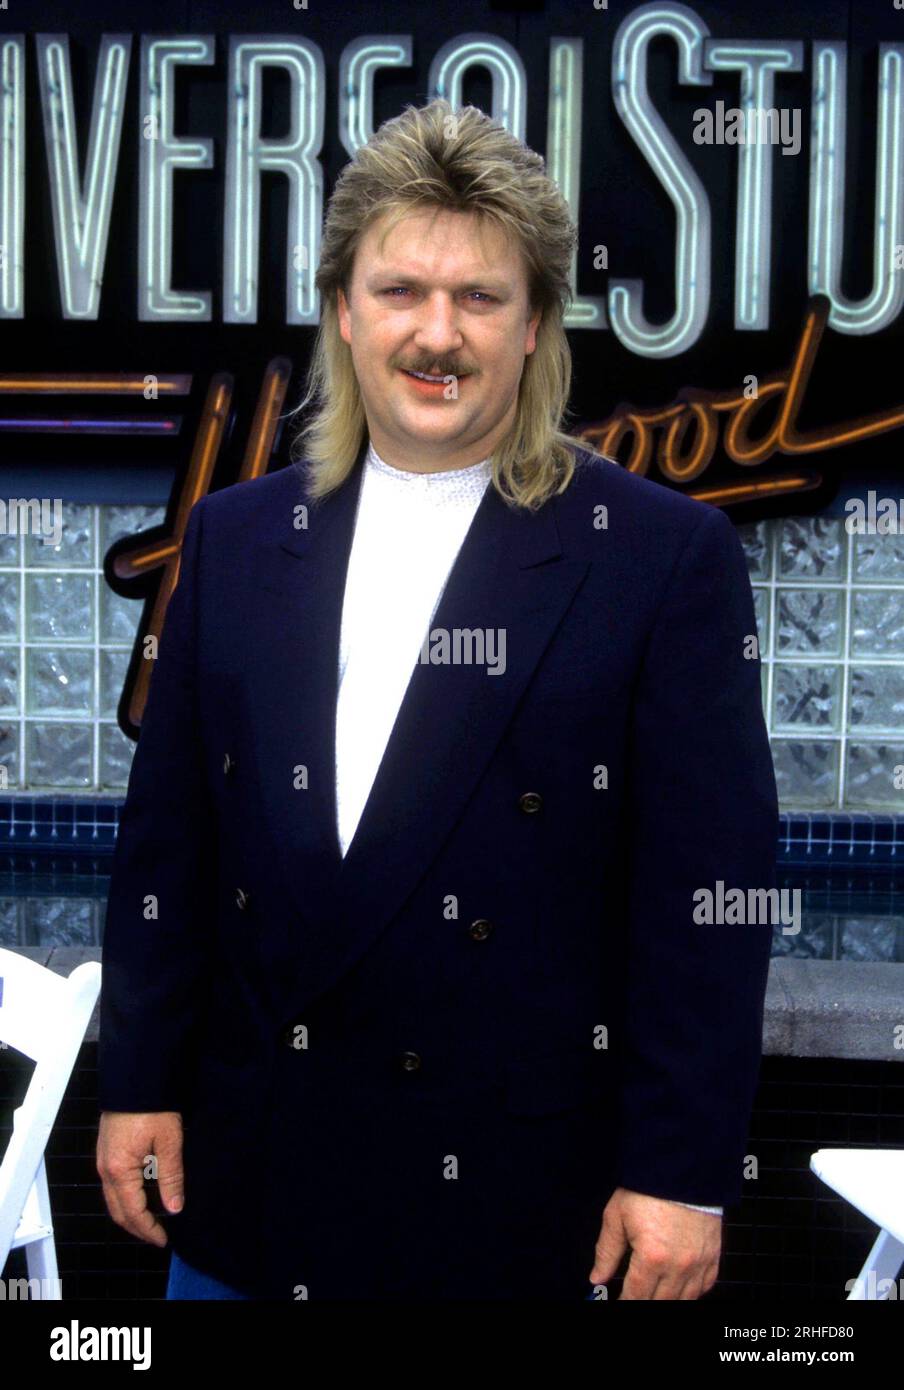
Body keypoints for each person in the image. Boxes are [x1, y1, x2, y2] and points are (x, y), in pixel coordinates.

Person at [96, 97, 778, 1301]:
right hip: (252, 1191)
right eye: (402, 290)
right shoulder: (242, 536)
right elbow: (171, 848)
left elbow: (706, 900)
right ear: (345, 311)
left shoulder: (657, 558)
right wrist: (138, 1074)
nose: (437, 333)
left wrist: (684, 1168)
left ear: (534, 329)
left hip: (520, 1214)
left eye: (480, 297)